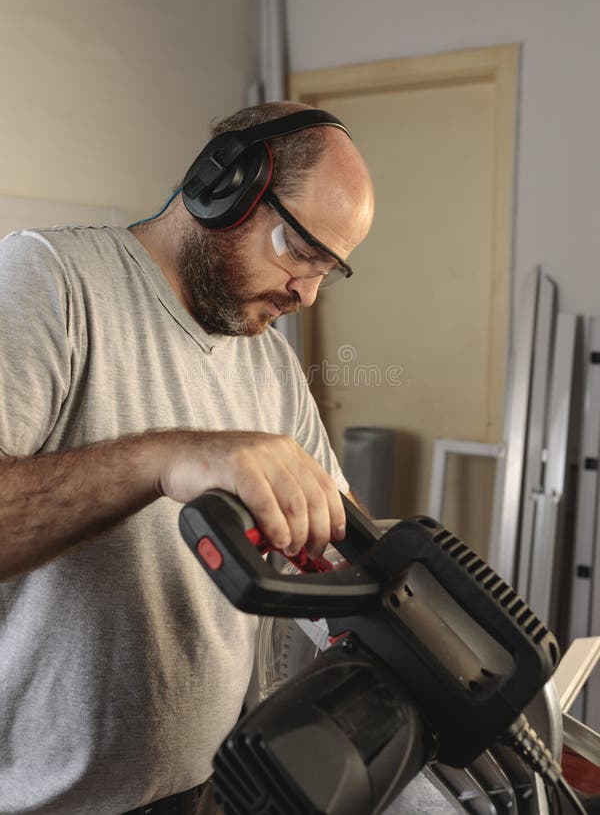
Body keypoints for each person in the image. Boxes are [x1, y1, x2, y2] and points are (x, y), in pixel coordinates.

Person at [0, 101, 375, 814]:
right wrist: (165, 459)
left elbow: (337, 541)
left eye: (331, 270)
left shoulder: (271, 363)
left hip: (201, 790)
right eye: (301, 251)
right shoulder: (48, 280)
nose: (307, 294)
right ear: (225, 186)